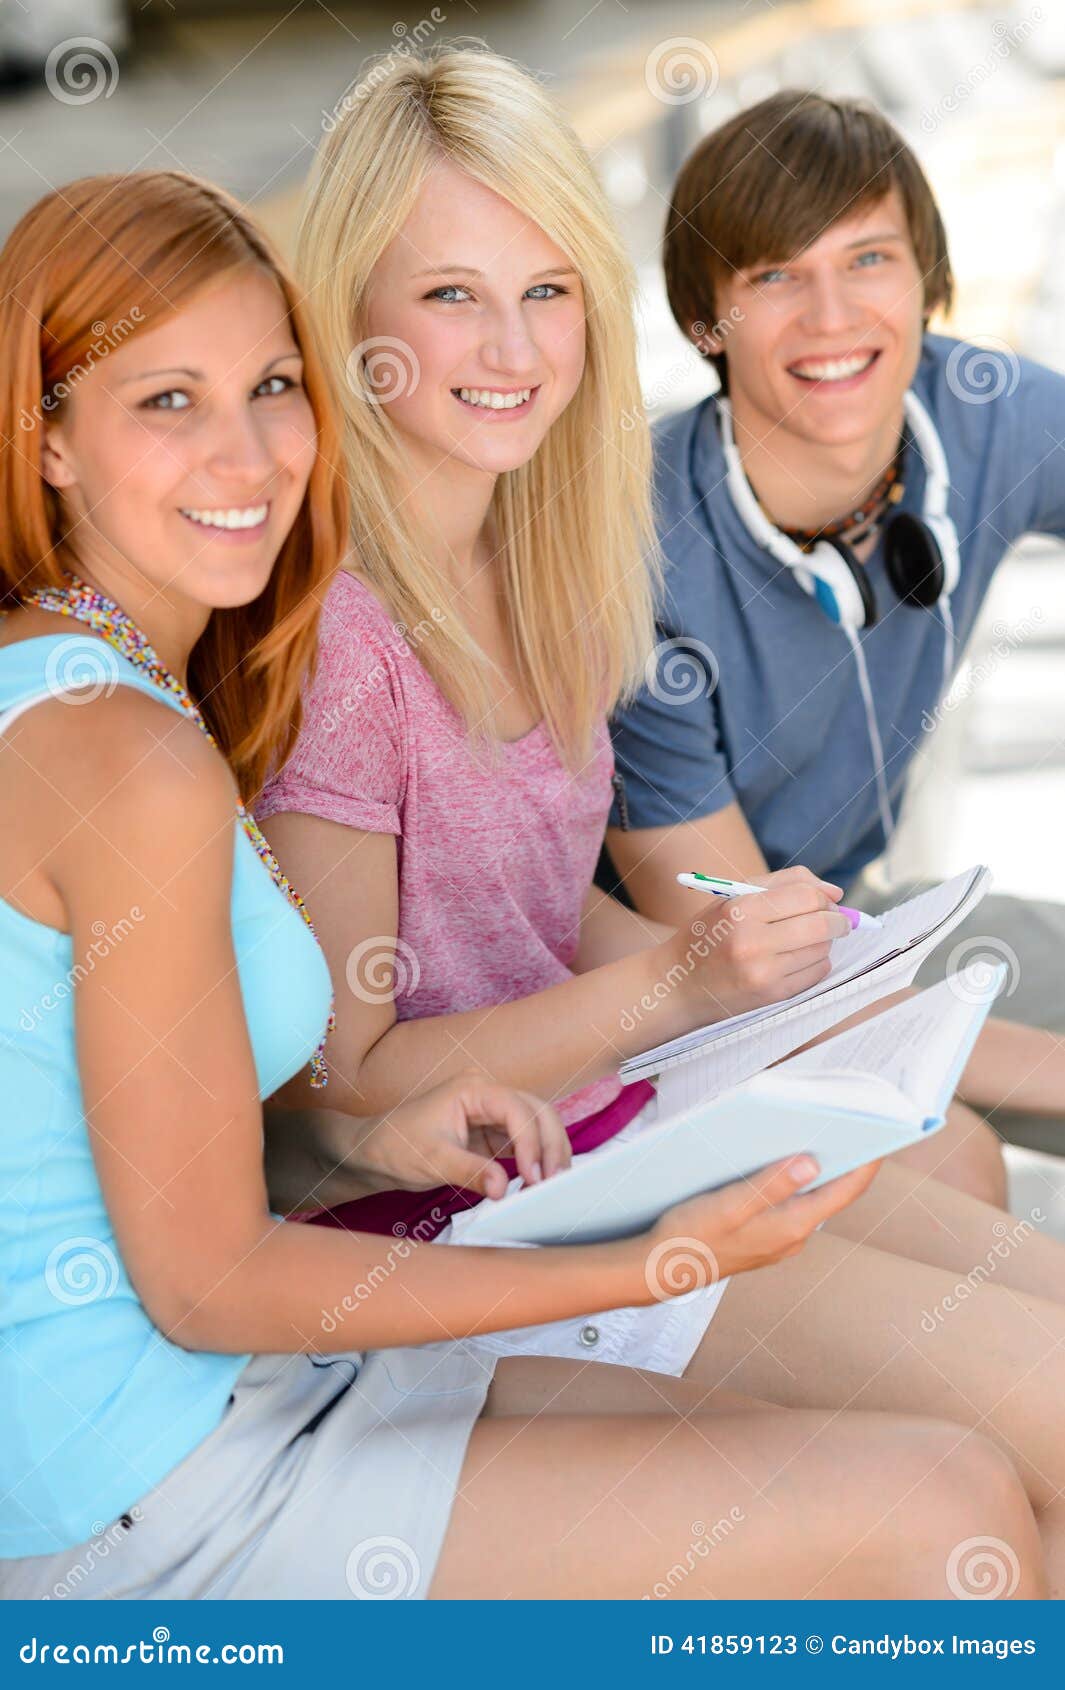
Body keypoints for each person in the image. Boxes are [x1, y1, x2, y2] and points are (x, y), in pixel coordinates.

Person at [1, 167, 982, 1606]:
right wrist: (651, 1262)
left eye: (273, 386)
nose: (250, 453)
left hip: (231, 1390)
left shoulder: (99, 679)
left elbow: (111, 1128)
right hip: (147, 1499)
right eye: (167, 401)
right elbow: (204, 1278)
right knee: (947, 1517)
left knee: (942, 1470)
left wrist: (377, 1136)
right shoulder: (132, 755)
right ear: (47, 440)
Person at [255, 47, 1065, 1591]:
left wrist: (761, 993)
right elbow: (341, 1087)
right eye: (449, 297)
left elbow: (532, 912)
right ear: (349, 313)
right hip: (459, 1225)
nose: (512, 346)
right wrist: (684, 985)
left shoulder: (547, 555)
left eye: (549, 289)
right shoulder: (340, 638)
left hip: (616, 1129)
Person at [603, 90, 1065, 1163]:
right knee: (953, 1150)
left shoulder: (983, 406)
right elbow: (755, 983)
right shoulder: (637, 556)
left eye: (869, 260)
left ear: (927, 281)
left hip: (865, 924)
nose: (831, 317)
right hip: (694, 1002)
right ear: (701, 318)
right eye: (775, 276)